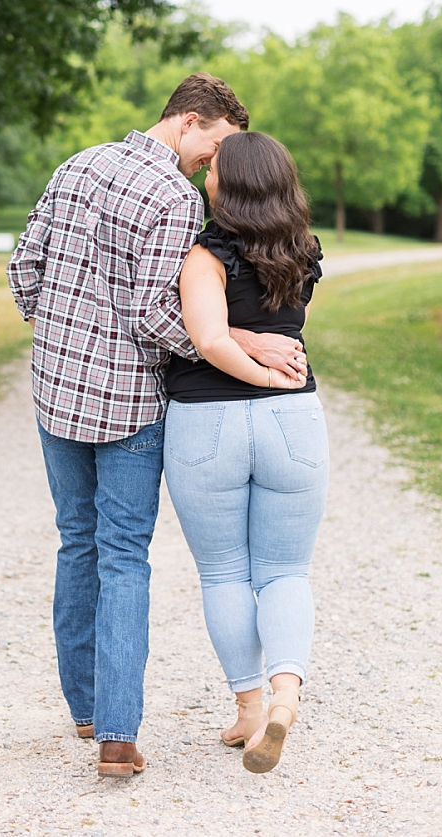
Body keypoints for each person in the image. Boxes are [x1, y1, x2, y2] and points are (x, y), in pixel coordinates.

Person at [7, 74, 307, 778]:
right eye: (215, 148)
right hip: (130, 407)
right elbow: (152, 314)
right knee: (121, 555)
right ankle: (116, 733)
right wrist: (241, 338)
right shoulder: (172, 194)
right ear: (191, 121)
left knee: (75, 541)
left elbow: (24, 272)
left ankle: (84, 708)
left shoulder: (75, 164)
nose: (214, 167)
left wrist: (61, 334)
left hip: (56, 394)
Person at [162, 131, 326, 774]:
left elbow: (205, 338)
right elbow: (268, 326)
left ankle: (249, 710)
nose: (205, 179)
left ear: (230, 185)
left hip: (208, 424)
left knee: (226, 572)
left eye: (215, 172)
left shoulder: (205, 253)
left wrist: (251, 369)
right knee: (286, 571)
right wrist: (272, 369)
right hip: (295, 420)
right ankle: (287, 693)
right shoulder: (303, 253)